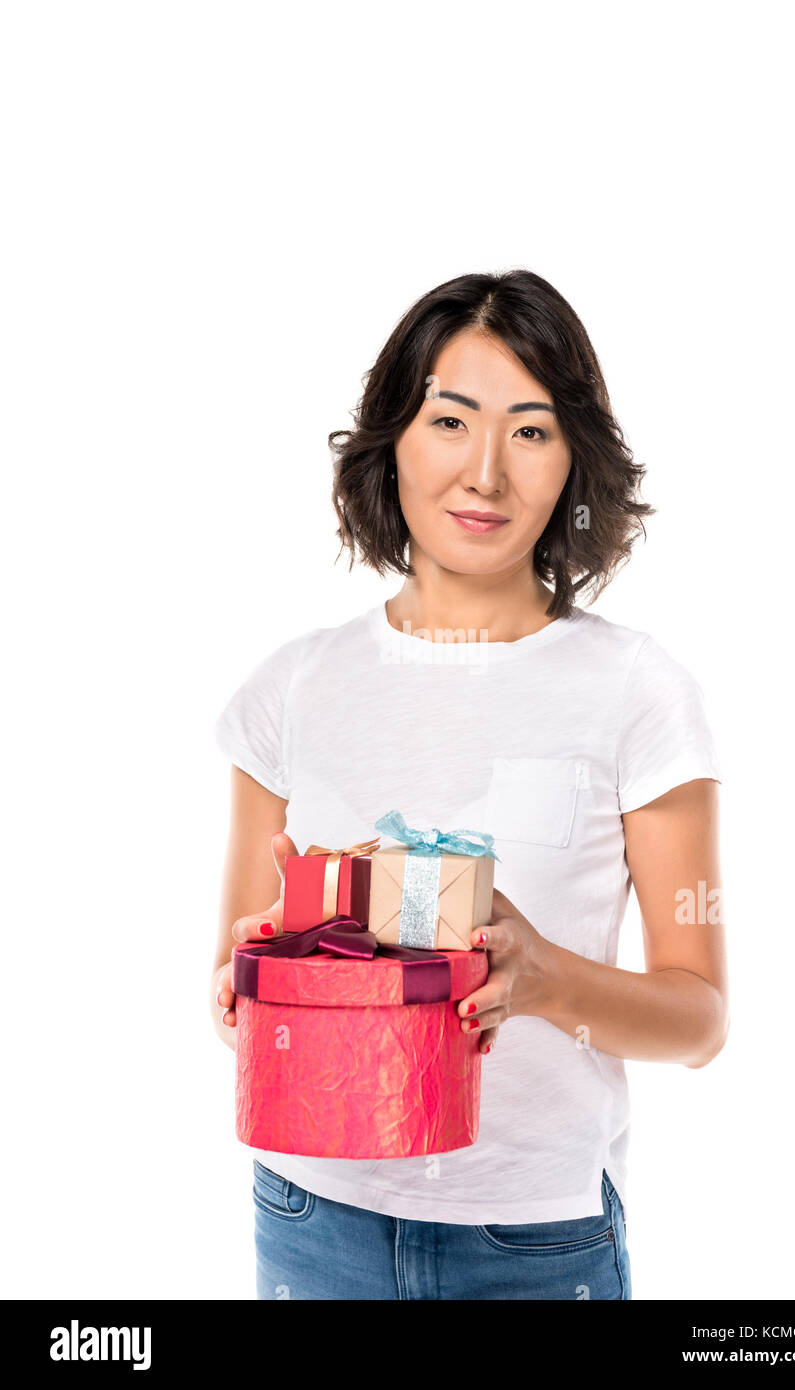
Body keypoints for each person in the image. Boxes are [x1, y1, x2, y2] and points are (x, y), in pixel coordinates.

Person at [211, 269, 728, 1301]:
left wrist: (547, 981)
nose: (484, 473)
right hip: (310, 1211)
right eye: (450, 420)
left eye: (531, 431)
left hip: (532, 1237)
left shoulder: (640, 693)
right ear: (392, 439)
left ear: (576, 459)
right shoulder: (291, 688)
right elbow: (232, 991)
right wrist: (271, 961)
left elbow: (700, 1018)